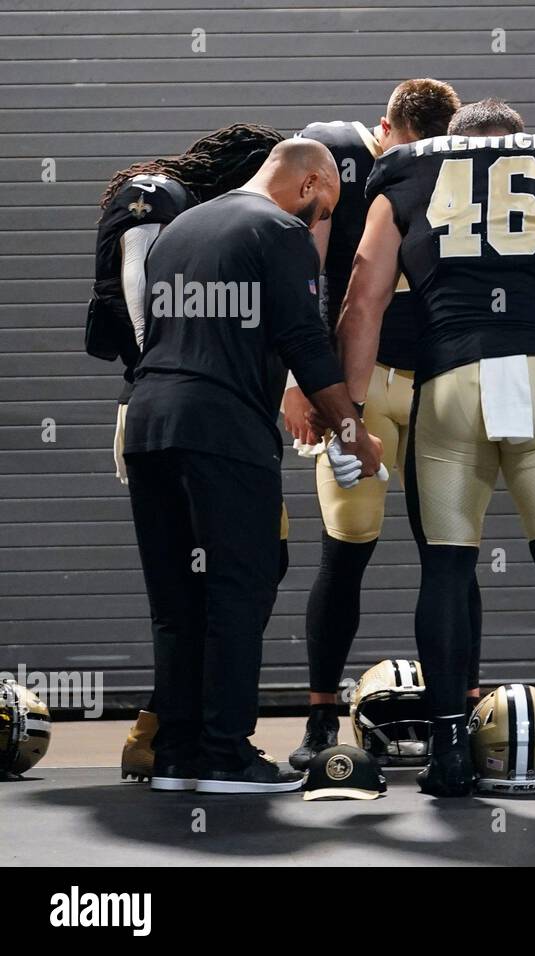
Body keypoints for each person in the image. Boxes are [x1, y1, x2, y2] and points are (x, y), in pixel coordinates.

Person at [336, 98, 535, 795]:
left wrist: (349, 415)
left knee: (445, 571)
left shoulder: (406, 170)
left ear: (454, 138)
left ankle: (447, 754)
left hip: (447, 382)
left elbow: (362, 301)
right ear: (517, 133)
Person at [124, 139, 382, 794]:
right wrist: (352, 431)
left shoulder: (181, 227)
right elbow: (305, 341)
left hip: (151, 425)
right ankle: (226, 755)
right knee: (241, 585)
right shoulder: (278, 230)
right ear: (310, 183)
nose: (318, 225)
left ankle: (178, 751)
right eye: (323, 211)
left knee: (176, 600)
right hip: (222, 430)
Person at [87, 123, 286, 782]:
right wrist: (172, 370)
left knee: (198, 588)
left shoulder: (188, 207)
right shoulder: (155, 193)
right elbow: (141, 291)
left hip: (169, 407)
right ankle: (204, 739)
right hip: (180, 409)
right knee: (222, 583)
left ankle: (178, 736)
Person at [283, 79, 463, 771]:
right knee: (346, 547)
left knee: (450, 555)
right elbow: (300, 264)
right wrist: (300, 383)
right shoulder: (331, 151)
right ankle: (321, 715)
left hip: (442, 380)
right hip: (355, 388)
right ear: (383, 127)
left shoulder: (460, 160)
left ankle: (457, 712)